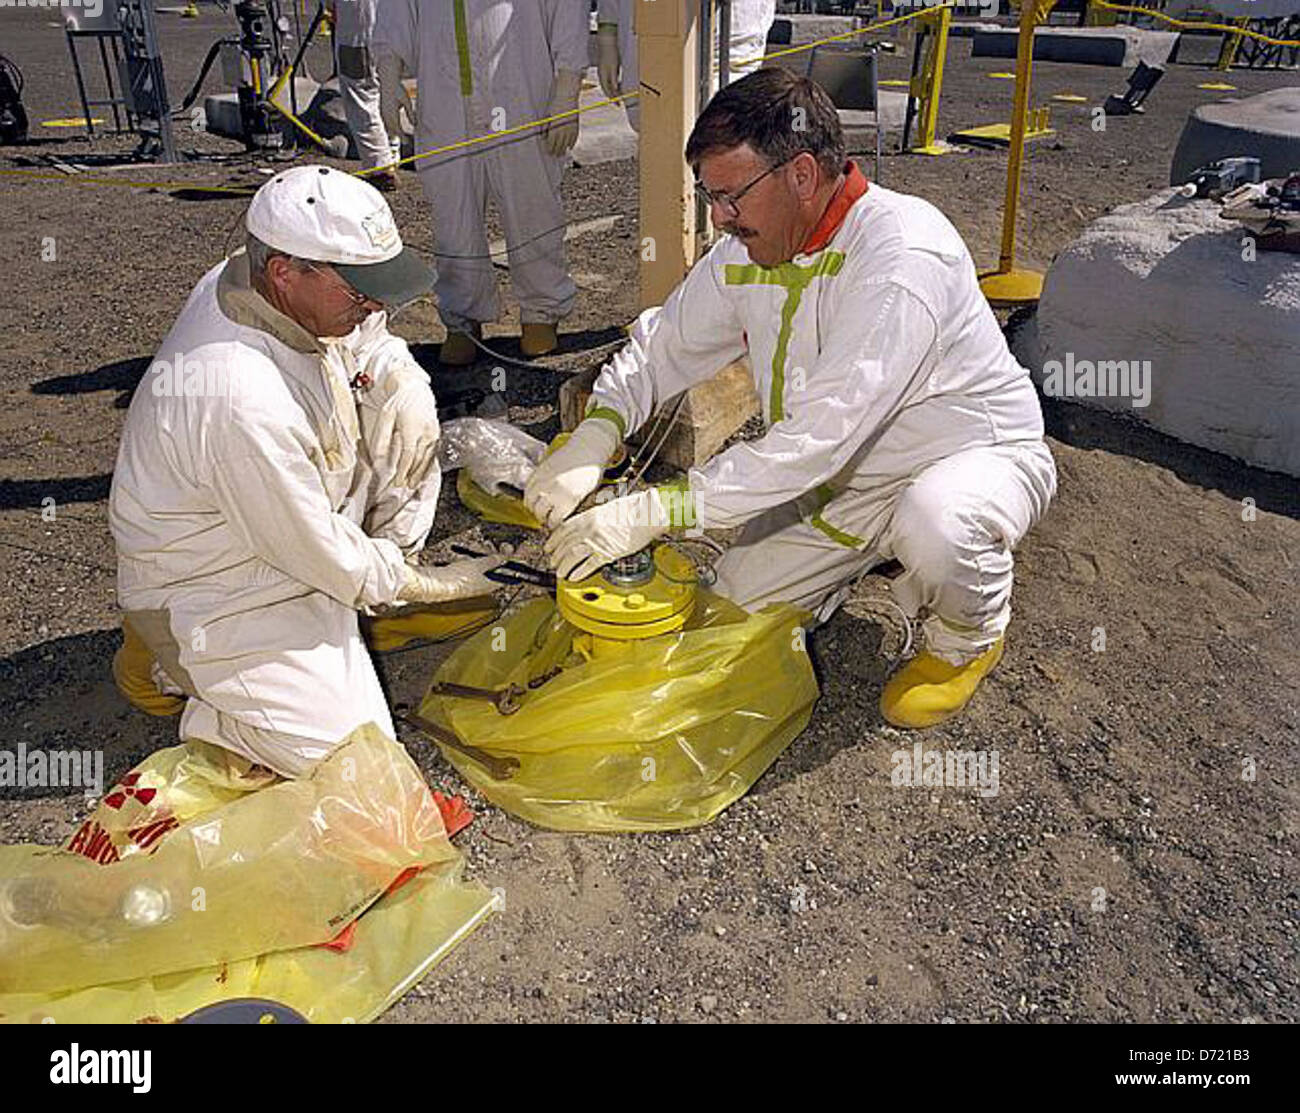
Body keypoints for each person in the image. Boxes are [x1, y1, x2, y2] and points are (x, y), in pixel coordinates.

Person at [524, 68, 1057, 729]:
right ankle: (869, 557)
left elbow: (819, 435)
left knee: (937, 521)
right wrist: (596, 433)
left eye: (728, 196)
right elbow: (666, 344)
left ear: (801, 175)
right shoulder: (753, 247)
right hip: (840, 481)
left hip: (966, 458)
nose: (717, 218)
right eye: (708, 196)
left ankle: (965, 641)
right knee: (724, 617)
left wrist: (660, 508)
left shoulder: (900, 258)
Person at [109, 165, 502, 779]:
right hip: (220, 585)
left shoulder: (254, 278)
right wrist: (421, 583)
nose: (374, 304)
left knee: (406, 418)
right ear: (286, 273)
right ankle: (170, 663)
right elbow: (318, 549)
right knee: (354, 765)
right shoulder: (236, 395)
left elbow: (365, 332)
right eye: (360, 291)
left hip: (281, 525)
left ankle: (366, 605)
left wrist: (396, 376)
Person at [374, 0, 589, 365]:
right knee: (453, 214)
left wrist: (567, 89)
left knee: (531, 205)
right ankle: (462, 317)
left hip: (520, 89)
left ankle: (541, 311)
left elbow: (568, 8)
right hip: (444, 97)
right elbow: (396, 8)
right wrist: (388, 74)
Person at [596, 0, 778, 128]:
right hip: (645, 43)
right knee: (653, 130)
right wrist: (608, 32)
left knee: (719, 133)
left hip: (725, 43)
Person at [330, 0, 400, 191]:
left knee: (361, 94)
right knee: (387, 91)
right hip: (390, 33)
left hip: (357, 34)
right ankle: (391, 152)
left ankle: (380, 167)